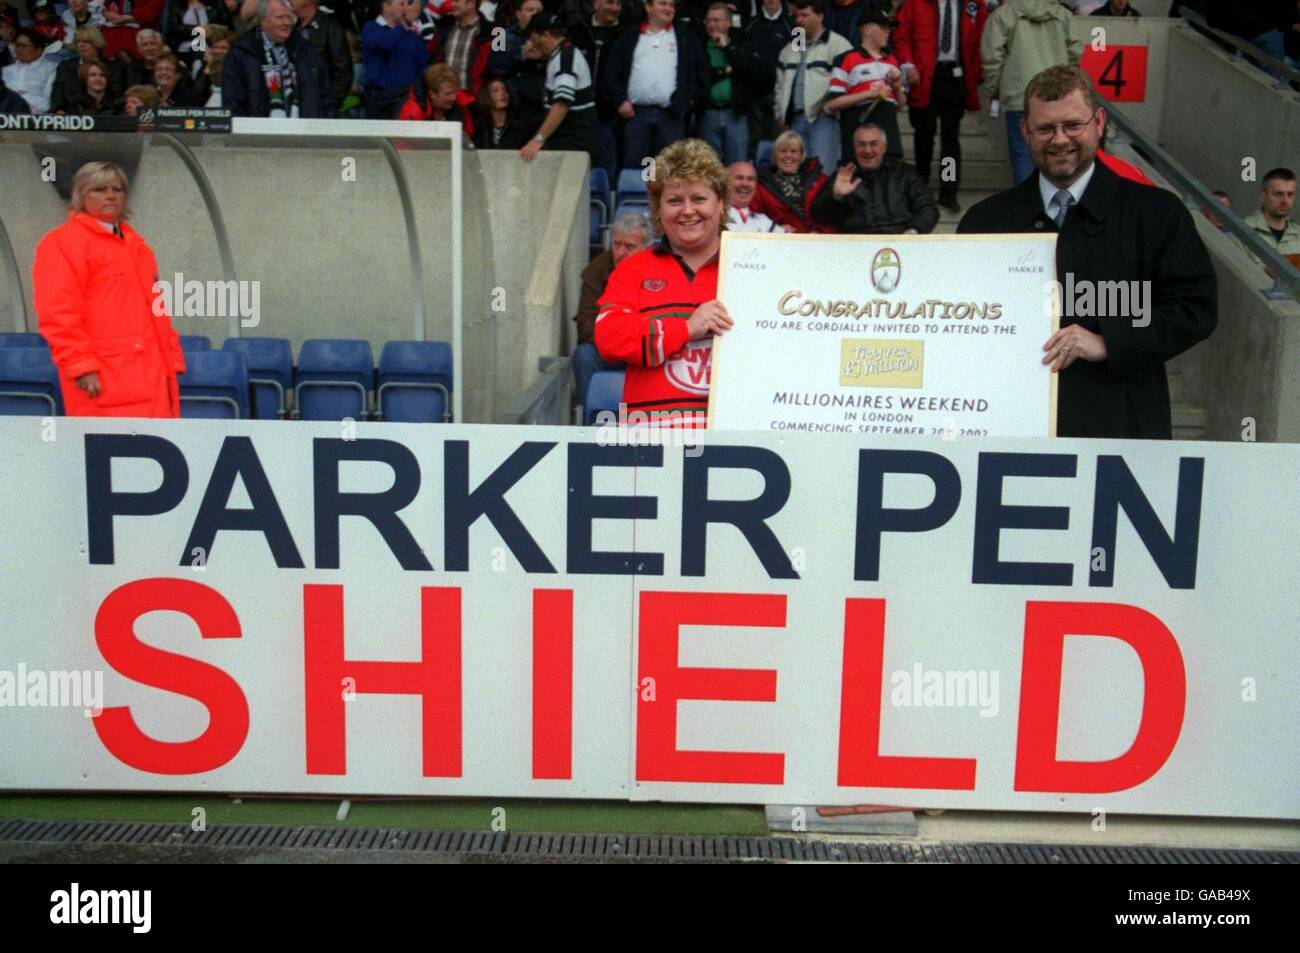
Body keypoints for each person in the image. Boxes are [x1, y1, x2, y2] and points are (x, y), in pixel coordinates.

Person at [958, 65, 1217, 439]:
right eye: (1045, 128)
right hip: (1011, 430)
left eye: (1072, 125)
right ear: (1025, 132)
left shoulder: (1158, 213)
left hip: (1123, 426)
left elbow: (1195, 308)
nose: (1059, 140)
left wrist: (1110, 340)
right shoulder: (984, 221)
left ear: (1098, 122)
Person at [595, 138, 733, 428]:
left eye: (698, 198)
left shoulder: (751, 267)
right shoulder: (633, 268)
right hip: (650, 446)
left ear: (720, 204)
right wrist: (684, 329)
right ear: (658, 209)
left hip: (732, 445)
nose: (687, 210)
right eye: (674, 200)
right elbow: (609, 337)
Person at [33, 161, 186, 419]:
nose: (111, 195)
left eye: (117, 189)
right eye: (100, 189)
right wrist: (80, 366)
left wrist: (171, 358)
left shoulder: (138, 247)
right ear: (81, 195)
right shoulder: (61, 243)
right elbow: (58, 313)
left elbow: (158, 312)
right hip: (105, 379)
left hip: (153, 375)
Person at [894, 0, 988, 213]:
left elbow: (980, 40)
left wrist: (977, 75)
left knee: (950, 140)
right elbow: (901, 36)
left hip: (955, 78)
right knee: (924, 135)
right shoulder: (915, 4)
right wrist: (907, 65)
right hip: (924, 78)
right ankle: (920, 188)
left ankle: (948, 192)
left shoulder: (974, 5)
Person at [980, 0, 1081, 186]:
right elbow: (1075, 53)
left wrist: (993, 88)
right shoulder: (1062, 14)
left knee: (1022, 155)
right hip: (1058, 98)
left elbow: (992, 58)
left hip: (1020, 96)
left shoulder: (1003, 15)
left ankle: (1027, 211)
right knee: (1056, 155)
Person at [604, 0, 710, 169]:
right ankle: (639, 196)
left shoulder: (686, 38)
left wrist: (688, 102)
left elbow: (701, 74)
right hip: (636, 115)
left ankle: (665, 196)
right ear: (648, 7)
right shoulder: (629, 36)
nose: (668, 8)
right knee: (639, 167)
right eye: (663, 4)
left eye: (671, 5)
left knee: (671, 167)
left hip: (672, 115)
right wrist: (619, 101)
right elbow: (611, 72)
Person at [573, 210, 650, 406]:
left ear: (646, 248)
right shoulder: (596, 270)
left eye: (630, 246)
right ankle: (588, 425)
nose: (621, 252)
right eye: (616, 244)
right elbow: (585, 322)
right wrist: (616, 343)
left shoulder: (660, 268)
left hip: (647, 350)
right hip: (610, 349)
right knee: (584, 354)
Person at [812, 121, 937, 233]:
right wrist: (835, 196)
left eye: (873, 144)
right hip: (856, 245)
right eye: (862, 144)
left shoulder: (905, 173)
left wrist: (913, 231)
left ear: (884, 147)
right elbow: (819, 216)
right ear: (855, 148)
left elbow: (928, 208)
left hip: (900, 242)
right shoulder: (843, 175)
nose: (867, 150)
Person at [775, 0, 852, 173]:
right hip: (794, 120)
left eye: (805, 15)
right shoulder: (796, 42)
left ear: (820, 16)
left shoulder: (837, 44)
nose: (799, 20)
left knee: (822, 173)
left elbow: (848, 83)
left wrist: (828, 108)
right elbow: (781, 83)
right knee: (798, 173)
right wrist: (779, 113)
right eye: (796, 16)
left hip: (823, 119)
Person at [223, 0, 334, 116]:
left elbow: (326, 95)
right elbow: (232, 99)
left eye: (289, 17)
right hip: (257, 130)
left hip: (303, 129)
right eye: (280, 17)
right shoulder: (243, 51)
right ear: (263, 20)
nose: (287, 23)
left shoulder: (306, 50)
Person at [826, 8, 904, 163]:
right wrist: (869, 94)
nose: (888, 32)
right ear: (867, 30)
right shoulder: (846, 58)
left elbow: (901, 105)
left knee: (890, 184)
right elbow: (831, 104)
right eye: (883, 28)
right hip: (859, 143)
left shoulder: (892, 60)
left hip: (889, 140)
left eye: (889, 28)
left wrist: (896, 87)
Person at [520, 12, 600, 161]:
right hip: (569, 141)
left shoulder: (565, 60)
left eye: (534, 38)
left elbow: (562, 104)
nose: (533, 43)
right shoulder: (560, 55)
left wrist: (538, 139)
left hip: (574, 143)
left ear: (545, 35)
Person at [699, 2, 769, 165]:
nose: (711, 24)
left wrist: (727, 47)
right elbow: (702, 76)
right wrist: (726, 71)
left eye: (717, 20)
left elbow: (752, 73)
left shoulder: (740, 44)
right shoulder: (700, 46)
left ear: (728, 23)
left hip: (736, 113)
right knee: (710, 167)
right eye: (708, 20)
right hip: (709, 112)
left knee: (737, 165)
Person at [569, 0, 627, 179]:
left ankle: (603, 206)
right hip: (577, 114)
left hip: (609, 115)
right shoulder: (577, 30)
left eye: (618, 4)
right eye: (610, 3)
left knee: (605, 170)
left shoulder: (626, 33)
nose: (615, 8)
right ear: (595, 4)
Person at [751, 128, 834, 232]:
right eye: (783, 151)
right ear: (775, 156)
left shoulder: (821, 180)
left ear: (801, 156)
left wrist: (820, 233)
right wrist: (775, 230)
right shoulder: (761, 186)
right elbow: (753, 219)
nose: (788, 156)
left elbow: (832, 215)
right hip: (780, 242)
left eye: (793, 151)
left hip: (818, 241)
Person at [361, 0, 428, 118]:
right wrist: (404, 24)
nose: (405, 8)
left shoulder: (412, 36)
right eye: (401, 4)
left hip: (405, 99)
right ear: (386, 5)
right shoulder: (371, 28)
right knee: (376, 136)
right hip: (377, 99)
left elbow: (423, 68)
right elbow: (385, 43)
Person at [744, 0, 793, 142]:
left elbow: (801, 56)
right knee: (753, 141)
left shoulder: (795, 25)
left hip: (781, 93)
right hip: (754, 94)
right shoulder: (749, 24)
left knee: (781, 141)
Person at [51, 26, 126, 114]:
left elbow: (116, 93)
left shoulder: (113, 67)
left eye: (87, 42)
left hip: (105, 112)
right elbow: (58, 92)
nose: (81, 45)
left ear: (96, 43)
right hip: (72, 112)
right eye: (78, 41)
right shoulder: (66, 66)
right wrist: (59, 110)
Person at [291, 0, 350, 110]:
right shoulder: (291, 28)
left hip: (321, 108)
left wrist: (329, 106)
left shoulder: (331, 28)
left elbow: (343, 74)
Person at [431, 0, 493, 94]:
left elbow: (493, 69)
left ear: (472, 3)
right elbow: (432, 58)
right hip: (445, 98)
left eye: (457, 1)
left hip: (475, 99)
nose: (452, 4)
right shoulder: (444, 28)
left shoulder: (489, 32)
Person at [398, 60, 477, 128]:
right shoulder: (413, 111)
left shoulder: (461, 105)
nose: (454, 97)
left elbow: (467, 137)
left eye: (455, 92)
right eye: (448, 94)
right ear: (432, 94)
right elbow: (403, 141)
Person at [1244, 167, 1300, 257]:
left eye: (1290, 194)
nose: (1285, 200)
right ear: (1263, 196)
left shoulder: (1298, 235)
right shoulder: (1243, 231)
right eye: (1279, 194)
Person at [2, 28, 60, 114]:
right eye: (18, 45)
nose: (19, 49)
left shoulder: (52, 68)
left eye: (24, 46)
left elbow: (49, 102)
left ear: (39, 50)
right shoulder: (5, 71)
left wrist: (20, 99)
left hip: (36, 116)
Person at [165, 0, 233, 65]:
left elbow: (228, 26)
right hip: (185, 46)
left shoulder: (216, 3)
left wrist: (213, 30)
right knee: (197, 49)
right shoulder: (176, 4)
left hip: (212, 44)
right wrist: (198, 30)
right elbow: (172, 29)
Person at [473, 75, 533, 147]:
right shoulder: (480, 127)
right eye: (495, 91)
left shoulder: (522, 125)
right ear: (486, 96)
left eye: (504, 90)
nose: (502, 93)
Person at [727, 159, 783, 231]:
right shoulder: (716, 216)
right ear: (726, 182)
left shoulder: (763, 221)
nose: (745, 184)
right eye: (739, 178)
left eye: (750, 179)